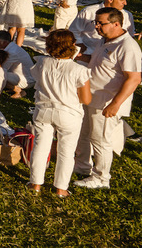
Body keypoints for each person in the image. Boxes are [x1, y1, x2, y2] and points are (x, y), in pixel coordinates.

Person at [72, 7, 142, 189]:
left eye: (100, 23)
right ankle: (82, 166)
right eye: (95, 22)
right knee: (85, 134)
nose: (96, 26)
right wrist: (81, 57)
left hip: (107, 101)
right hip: (91, 96)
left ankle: (102, 178)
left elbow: (134, 78)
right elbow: (100, 63)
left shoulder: (128, 47)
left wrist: (115, 104)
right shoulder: (104, 40)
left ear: (116, 24)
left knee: (101, 140)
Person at [29, 30, 92, 197]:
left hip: (44, 109)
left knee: (40, 147)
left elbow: (36, 78)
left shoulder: (42, 62)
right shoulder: (79, 70)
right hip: (69, 113)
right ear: (72, 46)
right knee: (66, 151)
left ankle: (35, 183)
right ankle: (61, 188)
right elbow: (86, 99)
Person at [0, 30, 34, 98]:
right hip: (19, 75)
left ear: (4, 42)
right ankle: (10, 86)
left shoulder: (12, 52)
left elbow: (1, 69)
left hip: (26, 80)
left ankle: (19, 91)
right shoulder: (10, 47)